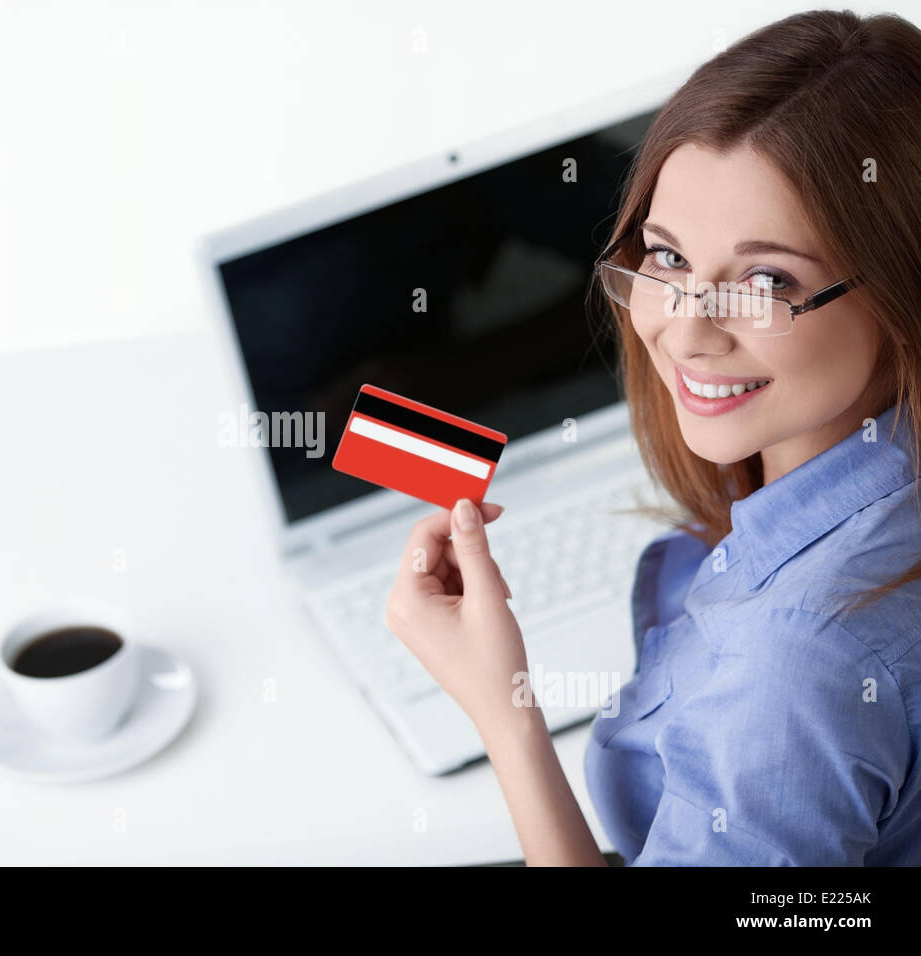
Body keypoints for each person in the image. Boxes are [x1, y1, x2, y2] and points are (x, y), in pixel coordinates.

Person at [383, 8, 921, 865]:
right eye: (667, 258)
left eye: (766, 278)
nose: (686, 328)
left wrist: (503, 712)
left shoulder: (791, 664)